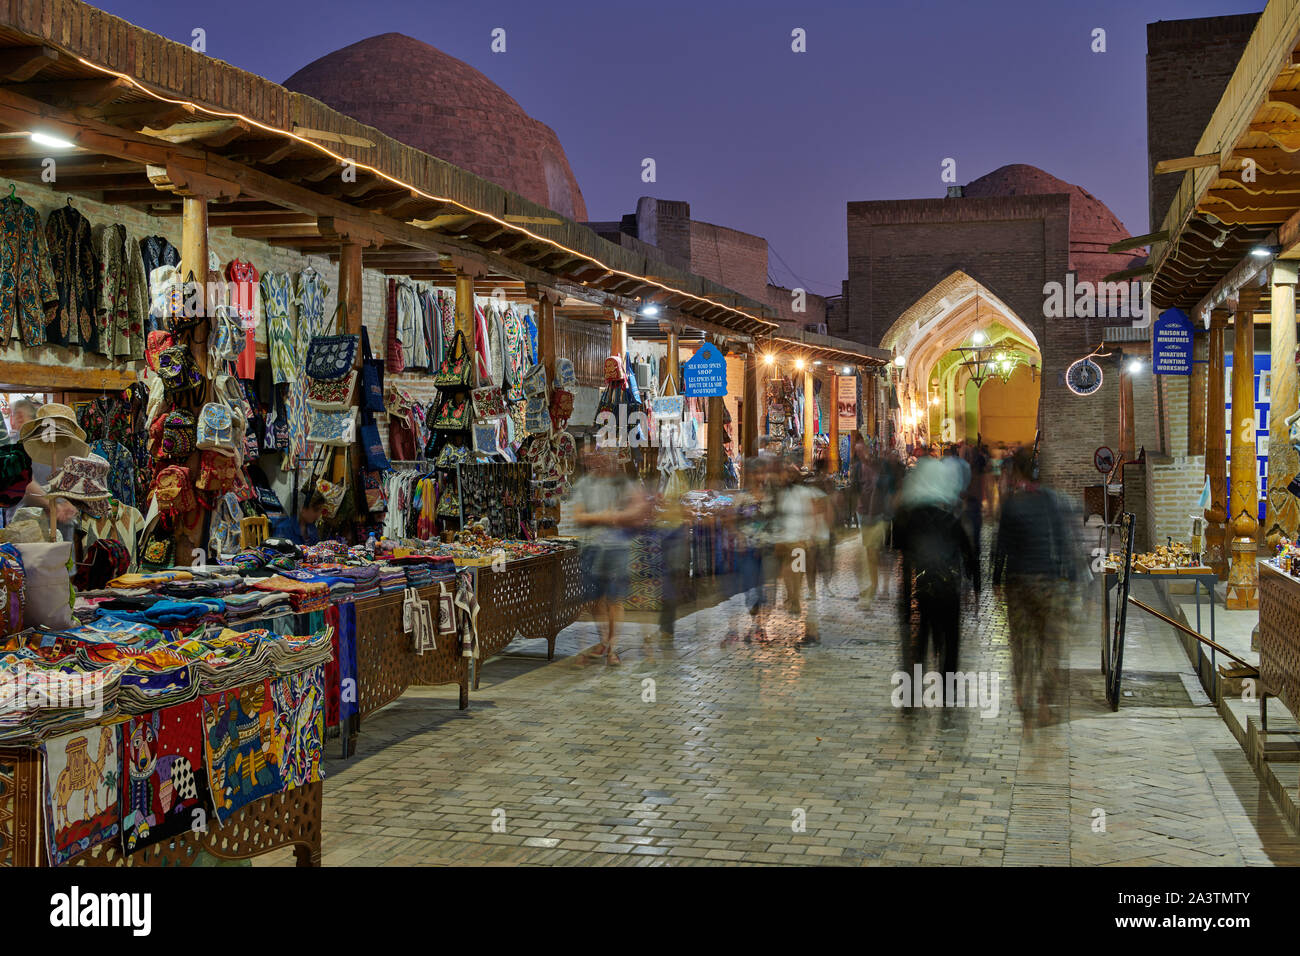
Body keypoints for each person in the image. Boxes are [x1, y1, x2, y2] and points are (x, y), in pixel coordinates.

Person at [995, 448, 1076, 731]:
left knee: (1020, 643)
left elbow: (1000, 547)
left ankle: (1022, 694)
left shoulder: (1011, 504)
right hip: (1049, 581)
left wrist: (995, 581)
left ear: (1016, 472)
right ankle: (1044, 700)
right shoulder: (1051, 501)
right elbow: (1064, 542)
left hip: (1018, 583)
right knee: (1049, 643)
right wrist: (1074, 576)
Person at [571, 446, 649, 666]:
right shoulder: (584, 485)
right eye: (595, 458)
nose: (600, 462)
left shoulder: (623, 483)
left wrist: (611, 515)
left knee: (615, 599)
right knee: (594, 600)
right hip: (592, 547)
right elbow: (578, 516)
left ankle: (612, 648)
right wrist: (607, 516)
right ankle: (604, 640)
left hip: (616, 547)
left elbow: (638, 509)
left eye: (605, 458)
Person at [775, 462, 828, 644]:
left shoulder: (805, 494)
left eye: (792, 473)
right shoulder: (783, 495)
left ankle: (796, 601)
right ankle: (793, 598)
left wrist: (811, 535)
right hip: (787, 540)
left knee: (795, 572)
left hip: (800, 540)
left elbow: (815, 513)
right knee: (787, 572)